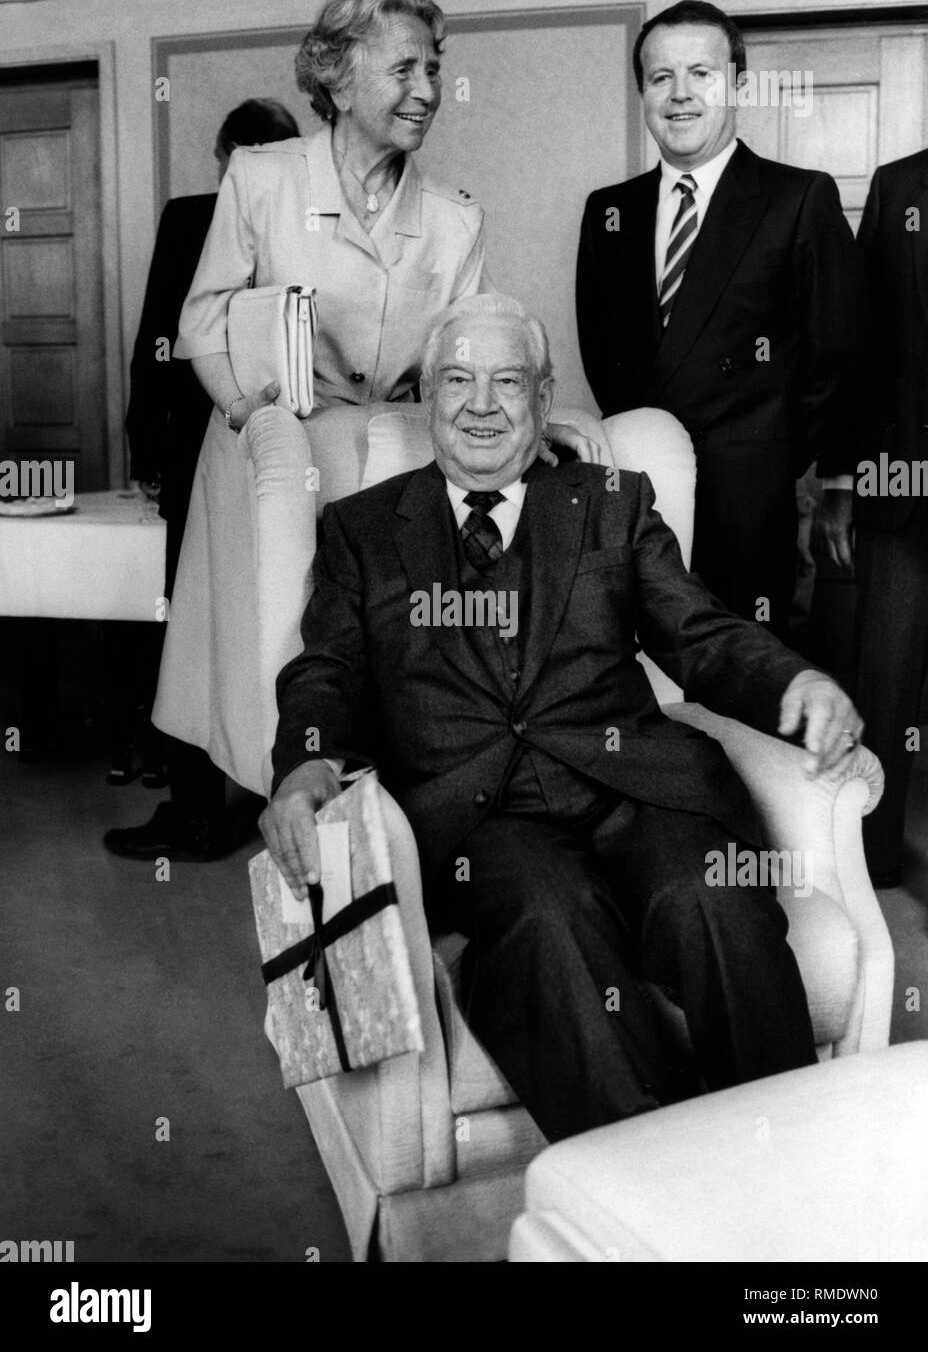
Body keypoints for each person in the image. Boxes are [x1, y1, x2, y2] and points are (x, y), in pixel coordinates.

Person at [261, 293, 863, 1142]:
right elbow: (325, 669)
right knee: (550, 921)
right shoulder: (364, 531)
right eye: (458, 380)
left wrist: (793, 680)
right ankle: (638, 1192)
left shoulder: (611, 501)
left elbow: (699, 632)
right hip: (484, 821)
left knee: (709, 898)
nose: (480, 404)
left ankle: (787, 1164)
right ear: (428, 395)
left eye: (507, 381)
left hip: (640, 787)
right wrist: (306, 763)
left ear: (543, 400)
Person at [107, 0, 594, 862]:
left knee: (359, 650)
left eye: (436, 69)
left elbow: (474, 340)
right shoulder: (262, 178)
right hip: (267, 454)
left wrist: (539, 411)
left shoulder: (453, 218)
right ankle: (260, 811)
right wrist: (248, 410)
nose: (429, 89)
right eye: (404, 67)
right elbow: (203, 321)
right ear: (337, 76)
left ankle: (361, 822)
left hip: (377, 456)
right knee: (256, 659)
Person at [576, 0, 860, 638]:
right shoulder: (607, 212)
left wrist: (771, 453)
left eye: (700, 74)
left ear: (735, 83)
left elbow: (836, 358)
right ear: (643, 92)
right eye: (660, 78)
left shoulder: (798, 198)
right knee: (647, 694)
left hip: (749, 508)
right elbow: (603, 354)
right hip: (637, 504)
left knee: (745, 692)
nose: (680, 95)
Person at [103, 99, 300, 852]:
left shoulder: (300, 220)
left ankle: (253, 797)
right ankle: (195, 806)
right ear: (225, 161)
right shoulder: (192, 215)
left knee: (270, 624)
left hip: (286, 451)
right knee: (194, 627)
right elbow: (161, 333)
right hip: (203, 447)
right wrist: (147, 446)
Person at [816, 149, 928, 888]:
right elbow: (857, 346)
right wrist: (839, 476)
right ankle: (875, 864)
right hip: (904, 492)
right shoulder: (899, 185)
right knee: (884, 693)